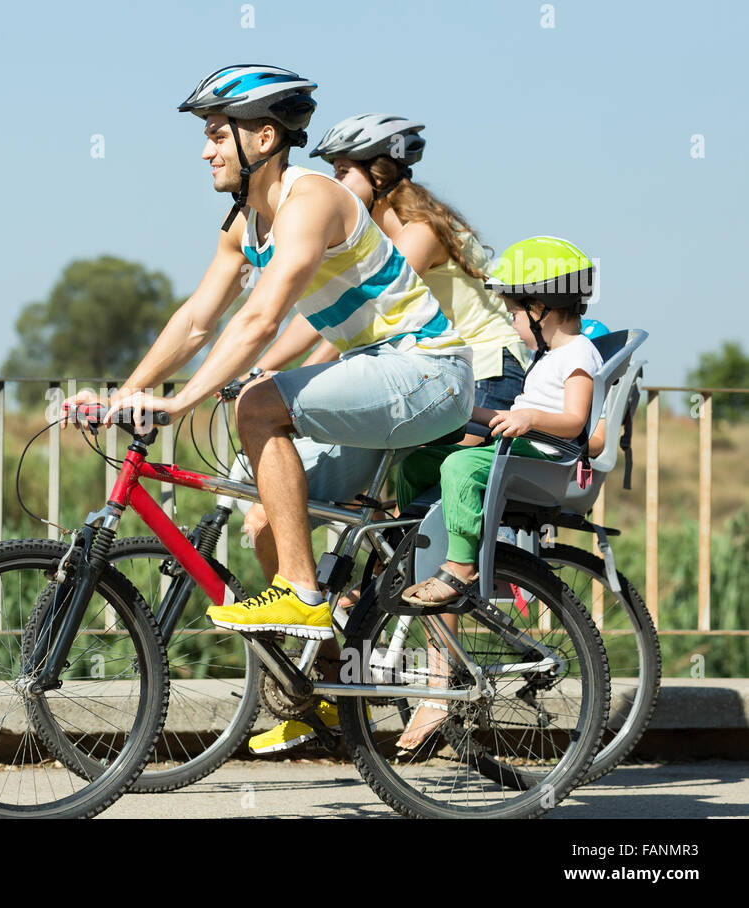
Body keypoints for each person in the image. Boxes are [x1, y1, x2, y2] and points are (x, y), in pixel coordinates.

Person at [64, 64, 473, 646]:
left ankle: (302, 595)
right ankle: (322, 684)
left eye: (214, 133)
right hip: (376, 376)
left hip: (428, 371)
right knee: (264, 516)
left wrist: (180, 402)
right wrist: (129, 392)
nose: (205, 152)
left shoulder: (312, 201)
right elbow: (196, 320)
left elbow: (260, 319)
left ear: (263, 138)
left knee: (258, 406)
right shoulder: (244, 222)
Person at [238, 114, 532, 754]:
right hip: (408, 375)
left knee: (428, 525)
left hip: (482, 377)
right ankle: (338, 656)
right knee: (281, 513)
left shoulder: (418, 235)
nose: (329, 182)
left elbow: (333, 328)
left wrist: (275, 377)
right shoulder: (361, 230)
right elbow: (335, 320)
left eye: (342, 170)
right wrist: (269, 375)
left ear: (379, 173)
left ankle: (437, 686)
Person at [391, 235, 606, 748]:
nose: (510, 322)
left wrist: (530, 416)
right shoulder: (550, 357)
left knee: (464, 465)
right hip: (526, 448)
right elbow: (510, 417)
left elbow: (575, 420)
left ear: (540, 308)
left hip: (547, 460)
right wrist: (467, 412)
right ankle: (412, 549)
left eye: (513, 311)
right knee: (419, 462)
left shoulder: (577, 353)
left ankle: (459, 566)